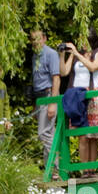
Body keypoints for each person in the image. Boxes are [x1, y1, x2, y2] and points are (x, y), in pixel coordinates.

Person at [59, 27, 98, 165]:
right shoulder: (76, 55)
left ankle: (93, 169)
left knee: (93, 135)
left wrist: (77, 54)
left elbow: (93, 67)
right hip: (78, 96)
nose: (82, 44)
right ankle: (84, 169)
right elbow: (64, 72)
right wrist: (63, 55)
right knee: (83, 135)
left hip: (93, 94)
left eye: (84, 41)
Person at [30, 29, 60, 176]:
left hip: (49, 96)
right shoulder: (35, 56)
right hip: (40, 97)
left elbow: (56, 78)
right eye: (33, 39)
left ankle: (56, 167)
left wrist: (53, 102)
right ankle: (50, 171)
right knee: (49, 132)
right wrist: (36, 105)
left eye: (38, 38)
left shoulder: (51, 54)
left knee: (44, 133)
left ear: (44, 39)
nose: (35, 42)